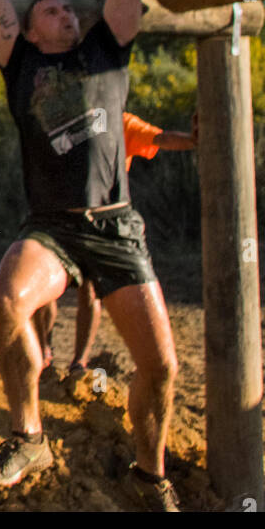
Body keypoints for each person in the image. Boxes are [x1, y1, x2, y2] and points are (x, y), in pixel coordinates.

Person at [0, 0, 182, 512]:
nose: (65, 13)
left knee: (161, 367)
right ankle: (28, 435)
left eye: (68, 9)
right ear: (28, 30)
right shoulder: (20, 63)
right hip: (53, 227)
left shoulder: (107, 48)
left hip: (115, 224)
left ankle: (149, 474)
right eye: (50, 10)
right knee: (9, 293)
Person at [34, 111, 197, 378]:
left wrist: (191, 140)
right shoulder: (63, 118)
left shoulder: (121, 121)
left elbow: (160, 138)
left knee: (90, 292)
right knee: (46, 288)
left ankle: (79, 363)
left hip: (102, 220)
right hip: (59, 215)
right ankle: (45, 352)